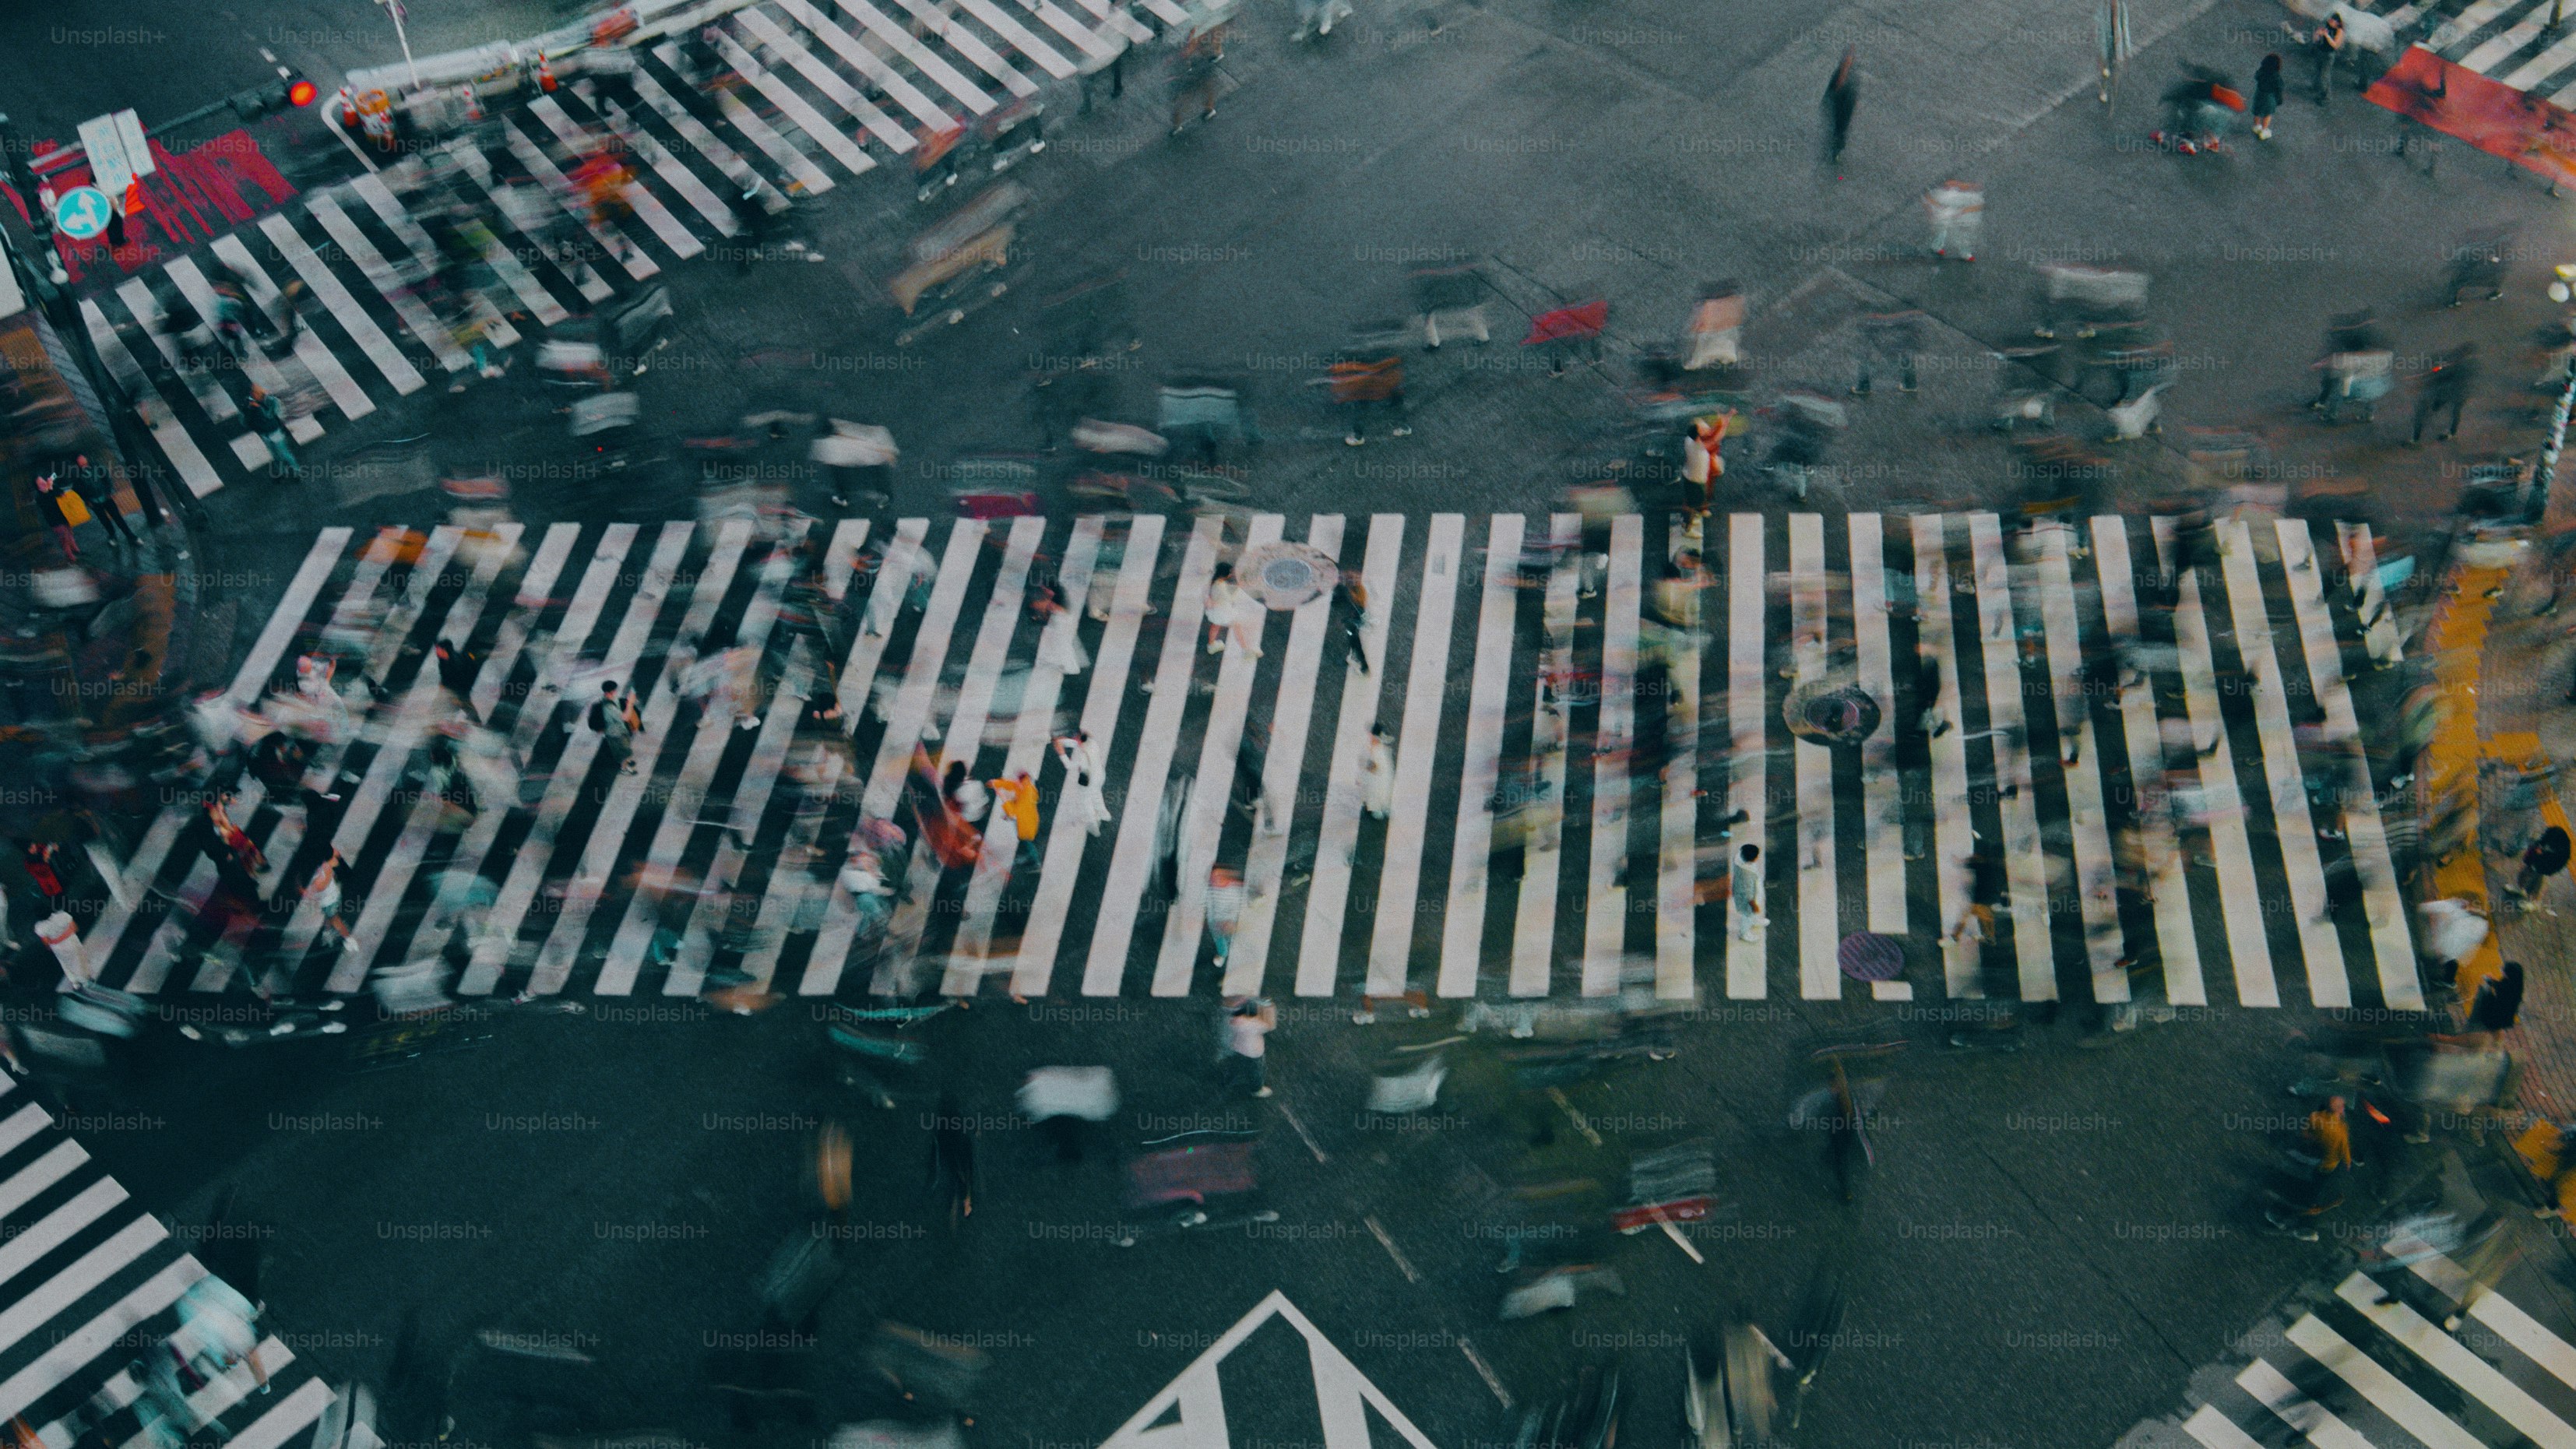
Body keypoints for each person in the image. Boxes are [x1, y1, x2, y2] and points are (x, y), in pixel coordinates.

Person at [2409, 343, 2477, 447]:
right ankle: (2452, 432)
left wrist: (2432, 373)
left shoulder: (2457, 365)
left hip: (2449, 392)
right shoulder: (2470, 364)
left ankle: (2417, 437)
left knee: (2436, 408)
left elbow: (2442, 372)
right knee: (2455, 411)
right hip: (2460, 393)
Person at [1054, 730, 1111, 835]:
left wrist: (1061, 753)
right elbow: (1079, 742)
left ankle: (1094, 826)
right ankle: (1104, 815)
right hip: (1100, 775)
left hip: (1089, 780)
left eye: (1076, 738)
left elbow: (1069, 765)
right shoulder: (1092, 743)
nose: (1075, 740)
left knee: (1086, 802)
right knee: (1097, 795)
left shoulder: (1083, 757)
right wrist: (1063, 741)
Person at [1170, 27, 1223, 135]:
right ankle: (1209, 109)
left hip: (1197, 72)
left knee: (1184, 99)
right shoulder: (1201, 34)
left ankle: (1177, 125)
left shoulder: (1198, 36)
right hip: (1200, 70)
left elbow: (1187, 52)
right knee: (1205, 90)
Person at [1219, 994, 1273, 1097]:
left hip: (1238, 1047)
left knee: (1236, 1065)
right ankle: (1257, 1089)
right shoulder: (1254, 1024)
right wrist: (1269, 1008)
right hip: (1253, 1052)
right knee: (1256, 1071)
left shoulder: (1234, 1021)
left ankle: (1228, 1080)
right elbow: (1269, 1026)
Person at [1204, 561, 1262, 658]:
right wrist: (1239, 587)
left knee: (1216, 626)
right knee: (1237, 627)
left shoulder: (1215, 581)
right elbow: (1230, 598)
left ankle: (1211, 645)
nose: (1231, 574)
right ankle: (1245, 650)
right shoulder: (1220, 586)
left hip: (1216, 611)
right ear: (1224, 575)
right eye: (1230, 573)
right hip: (1223, 611)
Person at [303, 848, 356, 952]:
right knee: (329, 916)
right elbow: (335, 854)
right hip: (334, 895)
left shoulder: (319, 878)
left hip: (328, 902)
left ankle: (348, 939)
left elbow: (314, 891)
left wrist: (299, 888)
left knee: (336, 921)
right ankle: (328, 931)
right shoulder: (326, 865)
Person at [991, 770, 1042, 870]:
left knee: (1026, 841)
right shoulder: (1027, 787)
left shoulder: (1025, 798)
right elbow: (1013, 785)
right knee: (1025, 840)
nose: (1015, 782)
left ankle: (1036, 863)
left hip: (1025, 825)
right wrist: (996, 783)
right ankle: (1030, 855)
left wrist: (1003, 797)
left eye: (1017, 781)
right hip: (1029, 819)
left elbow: (1013, 813)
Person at [589, 681, 641, 773]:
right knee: (624, 752)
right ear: (611, 692)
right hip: (616, 734)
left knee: (625, 749)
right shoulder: (609, 707)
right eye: (615, 690)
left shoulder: (609, 699)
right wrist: (630, 703)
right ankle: (624, 768)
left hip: (619, 731)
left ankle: (627, 761)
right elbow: (625, 717)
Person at [1924, 179, 1983, 260]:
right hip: (1947, 214)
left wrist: (1963, 212)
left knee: (1962, 235)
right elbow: (1930, 200)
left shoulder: (1970, 196)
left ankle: (1965, 253)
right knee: (1942, 230)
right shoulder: (1943, 193)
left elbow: (1976, 206)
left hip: (1959, 216)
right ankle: (1936, 246)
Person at [1205, 867, 1250, 970]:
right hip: (1220, 920)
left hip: (1224, 920)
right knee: (1223, 943)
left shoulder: (1232, 889)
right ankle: (1223, 956)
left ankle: (1223, 956)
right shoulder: (1219, 930)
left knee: (1225, 941)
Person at [1824, 47, 1860, 173]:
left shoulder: (1848, 78)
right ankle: (1835, 152)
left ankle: (1835, 151)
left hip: (1843, 105)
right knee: (1839, 128)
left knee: (1839, 128)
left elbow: (1833, 89)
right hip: (1842, 105)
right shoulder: (1849, 78)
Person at [2469, 959, 2525, 1039]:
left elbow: (2496, 992)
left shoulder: (2505, 988)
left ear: (2508, 975)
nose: (2502, 971)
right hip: (2506, 1019)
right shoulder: (2517, 986)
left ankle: (2474, 1026)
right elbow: (2500, 986)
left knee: (2483, 991)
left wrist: (2488, 983)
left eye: (2503, 971)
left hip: (2492, 1018)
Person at [2520, 826, 2571, 899]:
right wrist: (2538, 847)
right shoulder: (2552, 835)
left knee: (2539, 874)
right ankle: (2525, 890)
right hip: (2548, 858)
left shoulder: (2561, 852)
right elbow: (2542, 841)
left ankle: (2533, 898)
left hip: (2552, 862)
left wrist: (2541, 853)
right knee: (2533, 870)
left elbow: (2553, 860)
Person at [1731, 842, 1765, 941]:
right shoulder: (1746, 874)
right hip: (1748, 899)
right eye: (1757, 856)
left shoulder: (1739, 859)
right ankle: (1744, 933)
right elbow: (1748, 894)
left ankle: (1754, 920)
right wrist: (1754, 905)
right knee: (1747, 915)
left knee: (1751, 914)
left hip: (1751, 890)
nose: (1758, 857)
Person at [1360, 724, 1395, 819]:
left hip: (1383, 773)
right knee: (1374, 791)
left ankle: (1384, 806)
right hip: (1373, 776)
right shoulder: (1367, 748)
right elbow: (1365, 763)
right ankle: (1375, 809)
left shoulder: (1379, 747)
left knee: (1385, 789)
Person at [2309, 14, 2345, 106]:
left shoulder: (2339, 31)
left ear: (2337, 23)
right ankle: (2316, 88)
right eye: (2330, 20)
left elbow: (2335, 45)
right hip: (2320, 51)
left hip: (2329, 55)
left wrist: (2327, 35)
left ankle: (2326, 97)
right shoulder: (2325, 26)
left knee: (2324, 76)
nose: (2330, 22)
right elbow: (2315, 39)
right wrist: (2317, 34)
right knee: (2317, 71)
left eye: (2333, 21)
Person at [944, 761, 991, 826]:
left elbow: (955, 804)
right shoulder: (977, 784)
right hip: (976, 818)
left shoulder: (960, 790)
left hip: (967, 819)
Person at [2250, 53, 2283, 140]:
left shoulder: (2261, 71)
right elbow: (2279, 89)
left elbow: (2256, 76)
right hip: (2269, 98)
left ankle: (2257, 126)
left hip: (2259, 94)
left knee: (2257, 111)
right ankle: (2264, 131)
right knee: (2267, 114)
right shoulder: (2276, 77)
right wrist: (2279, 100)